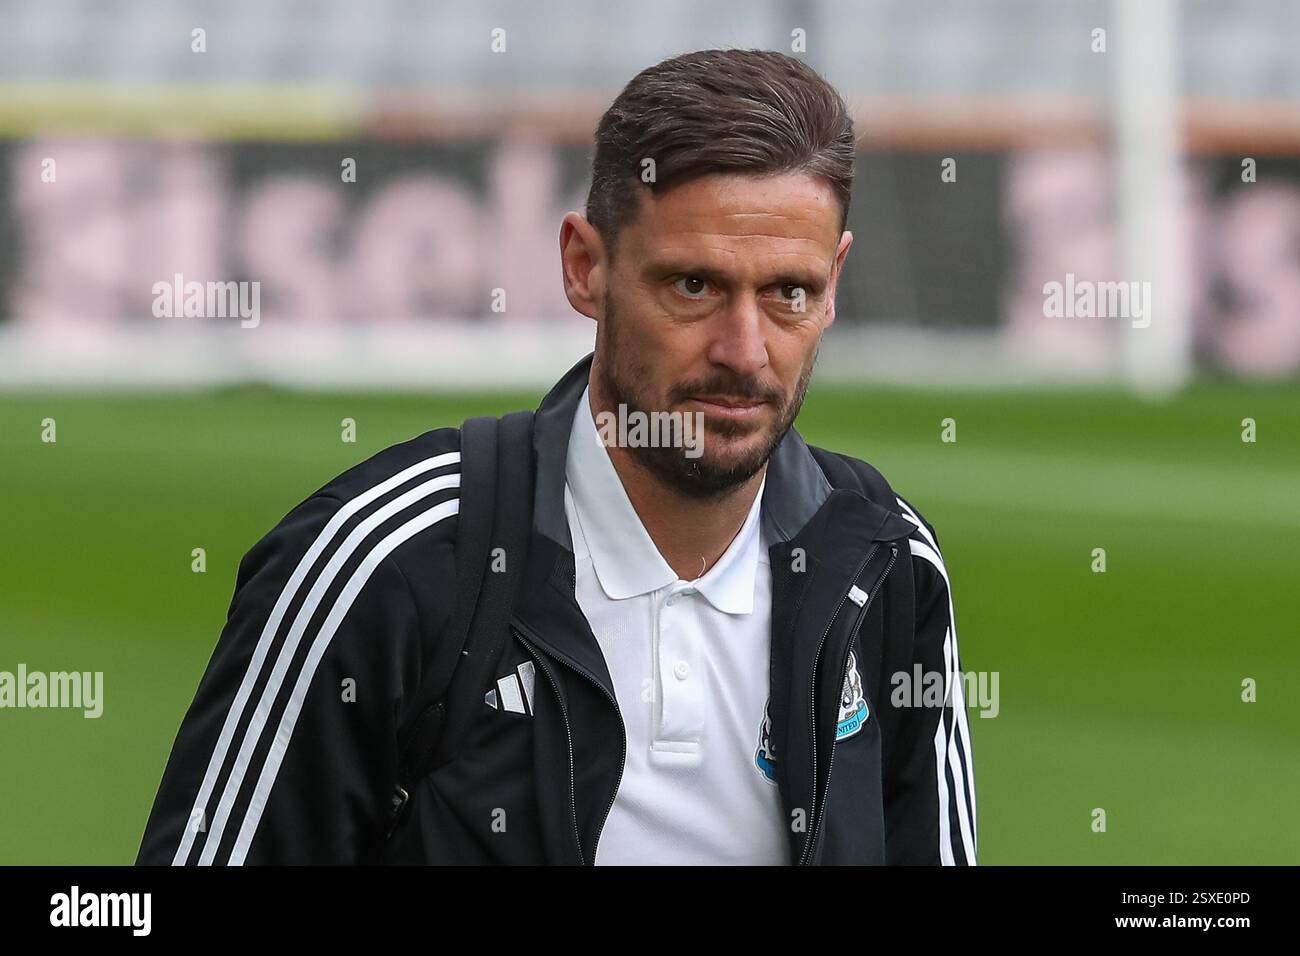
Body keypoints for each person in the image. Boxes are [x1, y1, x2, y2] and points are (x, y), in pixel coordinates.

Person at [137, 48, 976, 866]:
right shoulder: (386, 563)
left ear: (833, 283)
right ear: (586, 267)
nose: (744, 350)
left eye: (787, 292)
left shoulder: (886, 567)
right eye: (694, 286)